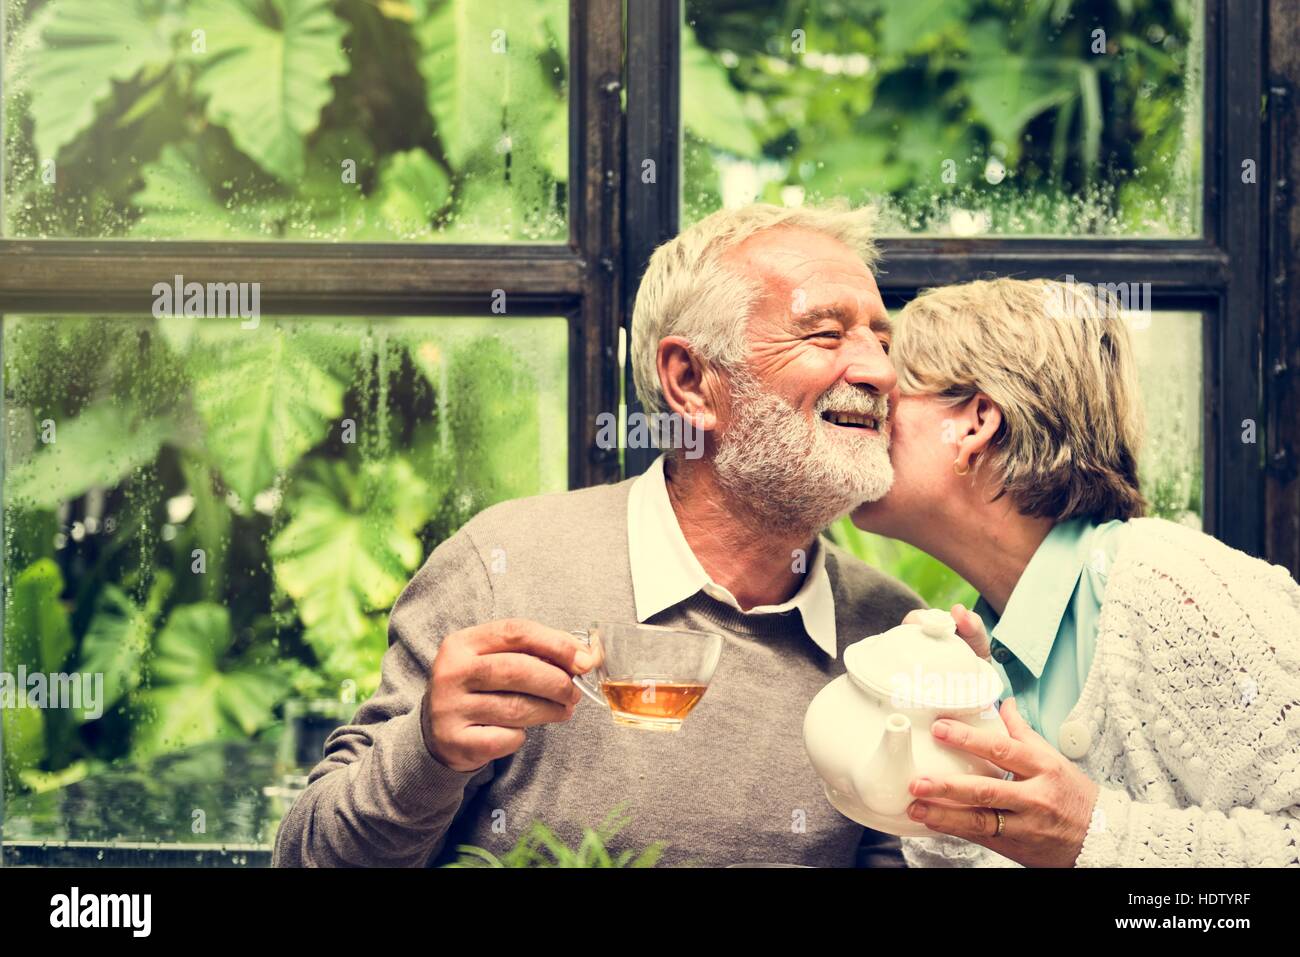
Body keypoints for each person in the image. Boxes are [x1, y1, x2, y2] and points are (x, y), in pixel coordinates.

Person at [273, 202, 926, 867]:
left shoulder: (897, 634)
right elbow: (305, 859)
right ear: (690, 381)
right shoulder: (503, 568)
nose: (881, 372)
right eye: (824, 333)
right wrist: (427, 752)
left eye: (882, 339)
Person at [852, 277, 1300, 867]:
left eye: (891, 394)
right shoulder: (981, 650)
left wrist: (1090, 833)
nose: (865, 415)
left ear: (974, 423)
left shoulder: (1166, 584)